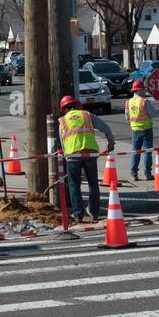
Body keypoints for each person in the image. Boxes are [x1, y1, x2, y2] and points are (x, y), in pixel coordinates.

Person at [57, 94, 115, 224]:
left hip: (73, 155)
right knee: (93, 183)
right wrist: (110, 144)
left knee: (74, 185)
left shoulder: (63, 121)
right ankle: (94, 213)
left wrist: (66, 156)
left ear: (64, 108)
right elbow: (106, 128)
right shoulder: (87, 115)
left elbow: (62, 141)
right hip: (90, 154)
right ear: (76, 105)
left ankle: (78, 215)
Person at [126, 79, 159, 181]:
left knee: (136, 152)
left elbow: (127, 117)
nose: (144, 91)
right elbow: (154, 114)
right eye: (143, 89)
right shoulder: (144, 101)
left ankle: (134, 174)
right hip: (146, 129)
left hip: (135, 130)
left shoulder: (128, 102)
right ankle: (148, 174)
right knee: (148, 152)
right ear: (139, 90)